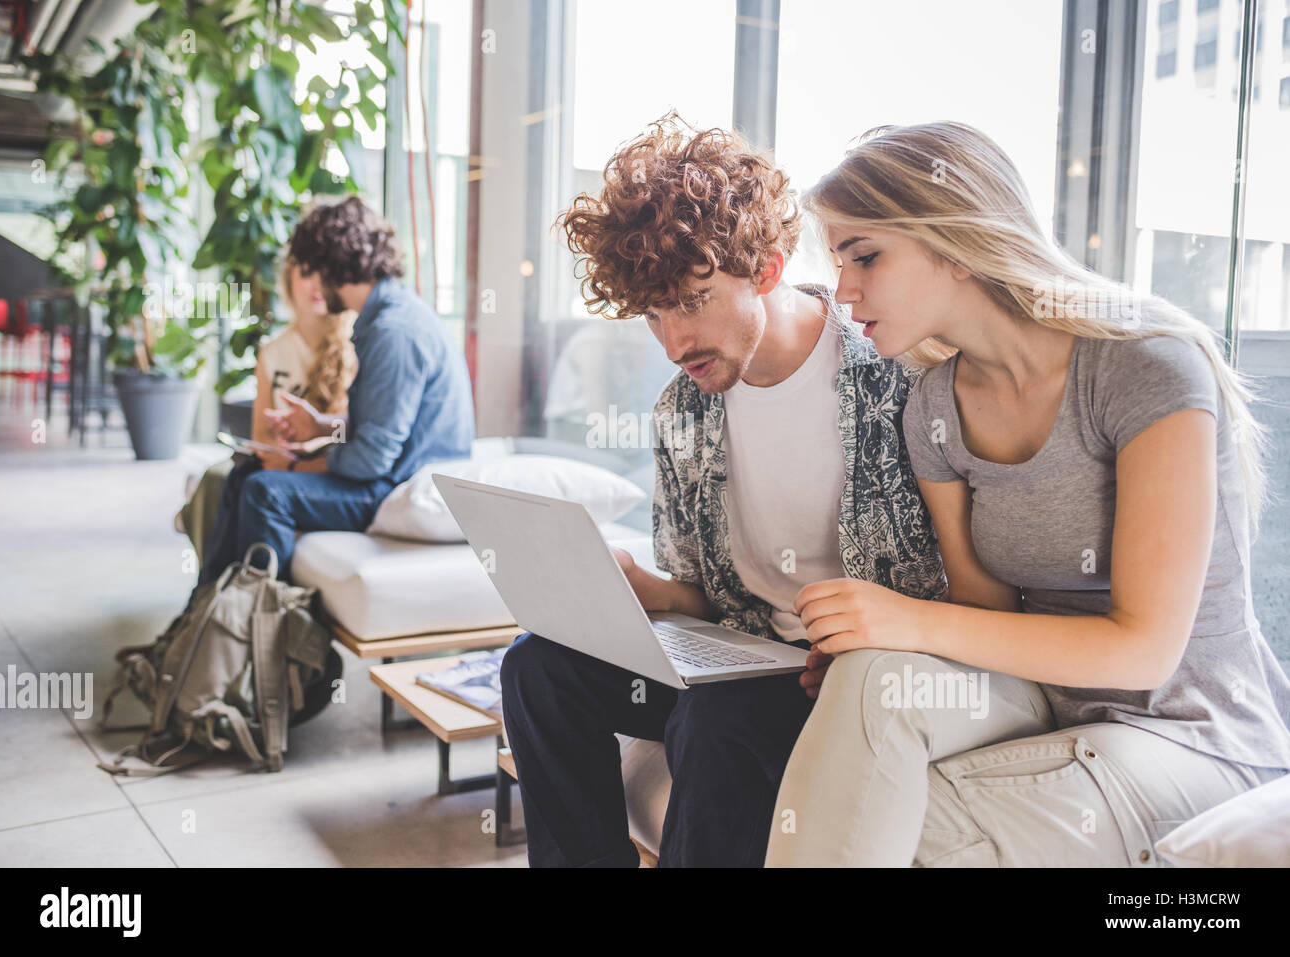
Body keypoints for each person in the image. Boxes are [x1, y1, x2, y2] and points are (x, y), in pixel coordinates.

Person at [765, 122, 1290, 867]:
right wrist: (880, 638)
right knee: (868, 681)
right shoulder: (935, 409)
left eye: (865, 257)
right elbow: (986, 616)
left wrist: (909, 619)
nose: (843, 290)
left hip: (1191, 732)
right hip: (1047, 698)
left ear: (952, 245)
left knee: (895, 824)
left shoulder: (1145, 367)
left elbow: (1143, 650)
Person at [498, 113, 947, 867]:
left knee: (711, 719)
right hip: (739, 658)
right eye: (652, 312)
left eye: (692, 300)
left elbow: (952, 586)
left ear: (765, 268)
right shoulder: (684, 410)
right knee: (536, 668)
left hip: (839, 678)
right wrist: (637, 587)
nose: (673, 343)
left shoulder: (891, 378)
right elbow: (706, 597)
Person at [199, 195, 475, 584]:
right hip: (397, 473)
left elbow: (372, 460)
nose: (311, 284)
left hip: (401, 487)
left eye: (313, 271)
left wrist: (296, 465)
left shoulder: (393, 332)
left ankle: (265, 627)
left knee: (265, 491)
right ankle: (206, 619)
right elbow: (385, 424)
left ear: (330, 266)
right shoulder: (390, 315)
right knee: (244, 476)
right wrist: (321, 427)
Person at [178, 254, 356, 563]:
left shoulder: (357, 346)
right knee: (218, 478)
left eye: (326, 274)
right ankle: (218, 594)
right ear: (288, 281)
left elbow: (357, 433)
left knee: (241, 485)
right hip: (280, 458)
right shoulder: (273, 353)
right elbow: (262, 433)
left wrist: (312, 438)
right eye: (306, 273)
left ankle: (225, 593)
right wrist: (278, 451)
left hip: (330, 464)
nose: (316, 285)